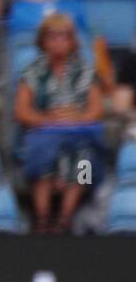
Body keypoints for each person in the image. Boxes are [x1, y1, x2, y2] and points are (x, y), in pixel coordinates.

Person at [14, 13, 107, 234]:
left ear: (73, 40)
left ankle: (65, 218)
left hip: (79, 134)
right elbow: (22, 112)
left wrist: (73, 119)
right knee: (42, 153)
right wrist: (48, 120)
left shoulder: (86, 71)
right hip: (43, 134)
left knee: (83, 158)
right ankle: (43, 218)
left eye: (64, 36)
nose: (58, 41)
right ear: (43, 40)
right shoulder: (32, 72)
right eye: (52, 36)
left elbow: (96, 111)